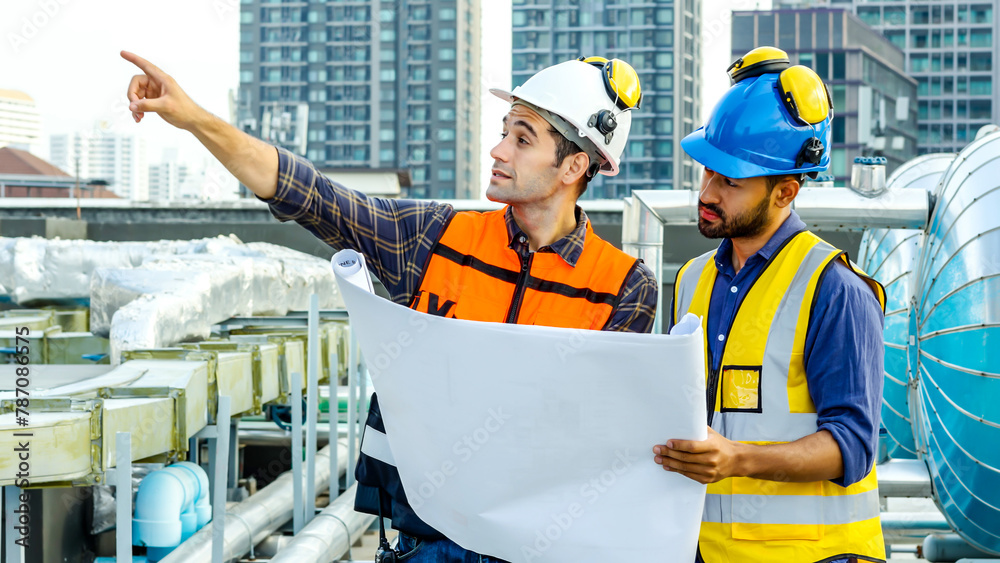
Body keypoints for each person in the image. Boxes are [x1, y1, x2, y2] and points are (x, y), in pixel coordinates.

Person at [121, 51, 657, 562]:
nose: (498, 151)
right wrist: (193, 118)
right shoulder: (435, 238)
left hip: (543, 545)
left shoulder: (624, 287)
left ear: (573, 167)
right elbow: (308, 193)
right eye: (503, 133)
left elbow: (600, 441)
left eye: (522, 139)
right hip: (426, 538)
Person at [651, 47, 887, 563]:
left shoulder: (836, 291)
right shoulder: (692, 280)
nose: (707, 192)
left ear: (785, 191)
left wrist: (736, 459)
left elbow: (850, 447)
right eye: (707, 171)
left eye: (730, 181)